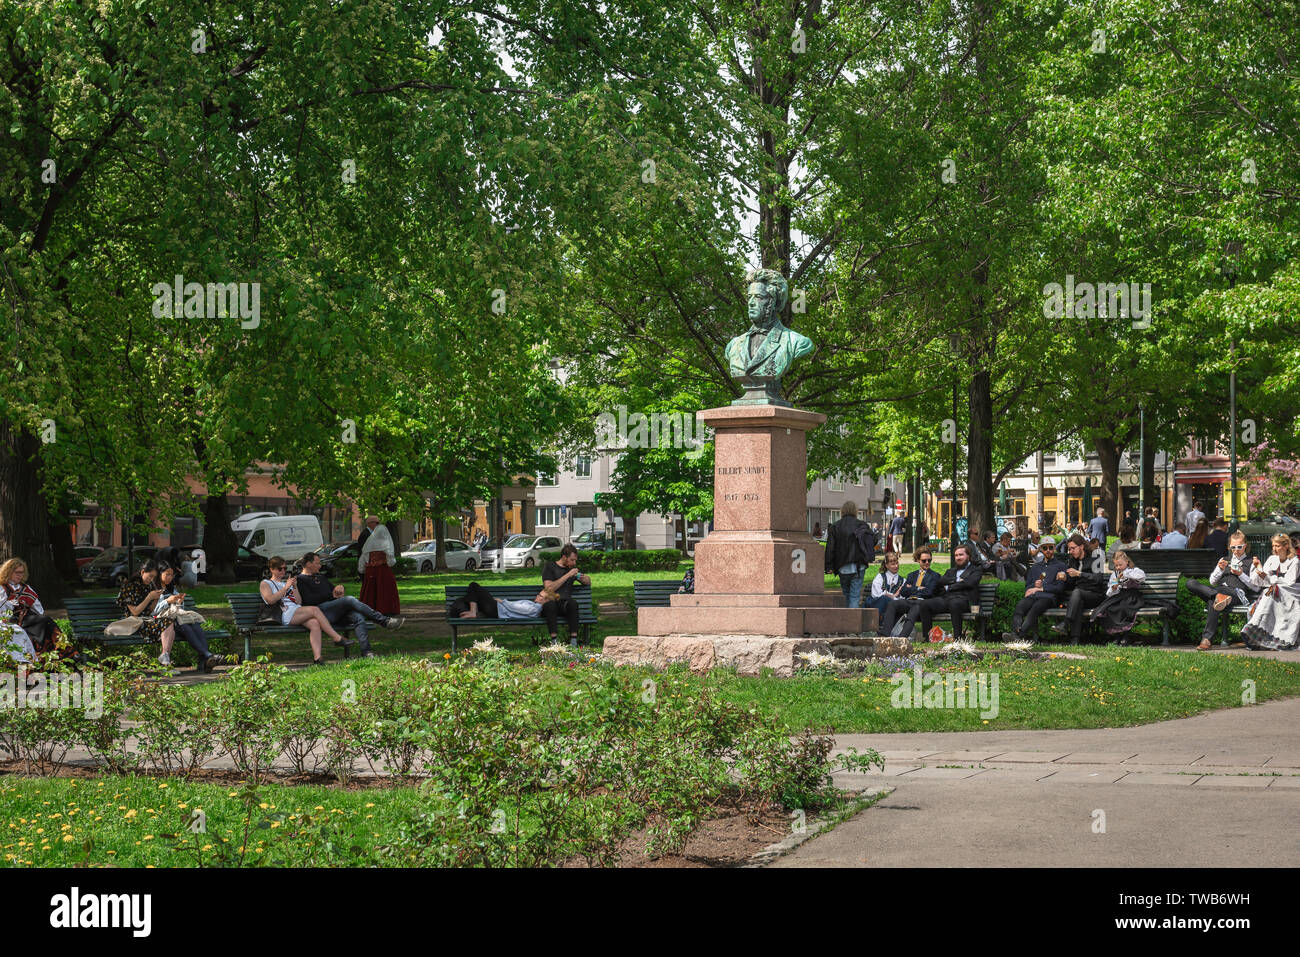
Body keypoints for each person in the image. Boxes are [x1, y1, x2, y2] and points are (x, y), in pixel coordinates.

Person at [296, 551, 402, 658]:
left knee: (358, 617)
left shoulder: (321, 577)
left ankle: (366, 652)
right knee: (349, 600)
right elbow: (308, 600)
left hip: (335, 611)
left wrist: (340, 588)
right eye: (317, 563)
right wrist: (332, 596)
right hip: (320, 613)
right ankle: (384, 621)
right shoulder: (300, 580)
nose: (320, 565)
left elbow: (333, 592)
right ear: (309, 564)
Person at [260, 556, 352, 665]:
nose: (283, 571)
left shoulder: (287, 583)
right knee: (314, 610)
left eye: (285, 568)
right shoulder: (266, 583)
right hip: (283, 614)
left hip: (296, 610)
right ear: (272, 569)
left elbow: (298, 602)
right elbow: (270, 600)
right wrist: (285, 588)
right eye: (280, 569)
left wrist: (294, 587)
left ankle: (317, 659)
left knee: (314, 623)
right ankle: (336, 638)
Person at [1187, 532, 1262, 651]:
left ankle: (1207, 639)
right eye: (1233, 547)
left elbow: (1256, 587)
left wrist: (1241, 574)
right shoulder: (1224, 560)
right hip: (1221, 593)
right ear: (1229, 547)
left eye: (1239, 547)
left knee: (1217, 594)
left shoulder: (1251, 562)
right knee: (1191, 583)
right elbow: (1212, 582)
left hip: (1238, 594)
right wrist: (1220, 570)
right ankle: (1218, 596)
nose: (1236, 550)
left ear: (1245, 546)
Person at [894, 544, 984, 640]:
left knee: (955, 603)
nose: (958, 558)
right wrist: (958, 580)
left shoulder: (975, 570)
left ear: (968, 556)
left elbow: (970, 583)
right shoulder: (951, 571)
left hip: (964, 600)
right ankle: (927, 638)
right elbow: (940, 582)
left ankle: (957, 638)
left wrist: (949, 587)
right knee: (925, 604)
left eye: (961, 555)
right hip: (946, 599)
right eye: (956, 555)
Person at [153, 562, 229, 672]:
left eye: (171, 575)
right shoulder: (153, 589)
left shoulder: (171, 588)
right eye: (167, 574)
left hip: (176, 618)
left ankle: (206, 658)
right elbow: (153, 610)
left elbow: (178, 608)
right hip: (163, 622)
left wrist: (179, 601)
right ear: (159, 574)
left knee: (195, 624)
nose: (170, 577)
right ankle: (207, 655)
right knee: (185, 626)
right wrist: (167, 601)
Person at [0, 558, 70, 665]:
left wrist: (28, 602)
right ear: (8, 572)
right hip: (12, 618)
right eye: (17, 572)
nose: (20, 575)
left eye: (22, 573)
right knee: (43, 621)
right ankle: (50, 655)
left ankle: (63, 654)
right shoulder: (2, 588)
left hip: (28, 617)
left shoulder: (26, 588)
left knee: (45, 621)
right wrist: (10, 604)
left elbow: (39, 609)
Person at [1240, 534, 1300, 650]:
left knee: (1269, 594)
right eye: (1273, 546)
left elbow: (1289, 582)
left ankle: (1256, 633)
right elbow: (1262, 581)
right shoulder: (1272, 559)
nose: (1274, 549)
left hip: (1291, 595)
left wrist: (1269, 578)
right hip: (1273, 593)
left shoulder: (1294, 561)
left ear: (1286, 546)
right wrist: (1259, 569)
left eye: (1277, 546)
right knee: (1269, 593)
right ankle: (1255, 634)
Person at [1002, 537, 1067, 643]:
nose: (1048, 550)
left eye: (1050, 547)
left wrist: (1041, 588)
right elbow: (1028, 587)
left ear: (1054, 548)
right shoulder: (1035, 567)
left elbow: (1059, 588)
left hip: (1049, 598)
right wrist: (1033, 586)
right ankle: (1015, 633)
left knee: (1035, 608)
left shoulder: (1061, 566)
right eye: (1045, 548)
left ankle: (1019, 635)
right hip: (1034, 596)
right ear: (1041, 549)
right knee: (1020, 606)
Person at [115, 559, 179, 666]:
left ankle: (165, 656)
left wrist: (155, 599)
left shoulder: (148, 586)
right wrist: (149, 597)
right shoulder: (128, 587)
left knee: (169, 621)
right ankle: (165, 662)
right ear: (142, 572)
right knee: (166, 625)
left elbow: (149, 610)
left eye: (153, 577)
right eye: (150, 576)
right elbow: (135, 612)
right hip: (133, 622)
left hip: (146, 620)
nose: (151, 579)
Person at [1049, 534, 1110, 643]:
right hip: (1079, 596)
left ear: (1081, 547)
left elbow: (1098, 579)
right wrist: (1065, 578)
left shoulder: (1096, 558)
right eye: (1069, 549)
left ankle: (1065, 623)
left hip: (1095, 595)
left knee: (1077, 593)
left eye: (1073, 548)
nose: (1070, 551)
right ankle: (1075, 640)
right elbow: (1072, 583)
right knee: (1078, 601)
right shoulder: (1073, 561)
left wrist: (1079, 573)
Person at [876, 548, 941, 637]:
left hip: (922, 602)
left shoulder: (935, 576)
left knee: (914, 609)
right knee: (893, 604)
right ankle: (885, 634)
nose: (927, 562)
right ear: (918, 560)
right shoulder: (912, 575)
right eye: (924, 560)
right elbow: (903, 591)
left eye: (929, 560)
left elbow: (929, 592)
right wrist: (919, 588)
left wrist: (912, 588)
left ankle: (902, 637)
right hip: (909, 600)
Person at [1089, 550, 1148, 642]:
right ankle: (1116, 635)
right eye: (1116, 565)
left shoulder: (1133, 570)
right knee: (1110, 607)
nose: (1118, 567)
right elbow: (1110, 592)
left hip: (1132, 596)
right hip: (1120, 595)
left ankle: (1125, 634)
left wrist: (1125, 574)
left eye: (1120, 565)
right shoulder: (1114, 574)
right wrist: (1114, 587)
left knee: (1124, 607)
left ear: (1127, 562)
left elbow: (1141, 577)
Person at [824, 502, 875, 610]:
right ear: (855, 511)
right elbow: (872, 540)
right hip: (858, 566)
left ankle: (848, 620)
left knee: (846, 594)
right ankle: (853, 622)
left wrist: (829, 566)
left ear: (842, 511)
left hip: (842, 566)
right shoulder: (862, 525)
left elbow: (830, 548)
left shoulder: (835, 526)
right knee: (854, 596)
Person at [542, 544, 589, 645]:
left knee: (573, 604)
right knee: (550, 605)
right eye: (572, 560)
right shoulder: (550, 567)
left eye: (575, 560)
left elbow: (588, 581)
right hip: (551, 602)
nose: (574, 562)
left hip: (565, 605)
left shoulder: (571, 569)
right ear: (564, 557)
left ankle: (573, 642)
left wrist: (580, 577)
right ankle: (554, 643)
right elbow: (549, 588)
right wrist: (568, 575)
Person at [451, 581, 560, 620]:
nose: (537, 596)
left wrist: (502, 601)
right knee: (465, 599)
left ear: (545, 601)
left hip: (496, 610)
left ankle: (473, 612)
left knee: (474, 586)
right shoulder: (535, 606)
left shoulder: (535, 608)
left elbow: (516, 607)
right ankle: (469, 612)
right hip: (497, 609)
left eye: (540, 596)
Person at [358, 516, 400, 615]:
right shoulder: (385, 544)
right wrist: (390, 563)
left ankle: (369, 610)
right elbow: (391, 559)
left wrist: (362, 569)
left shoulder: (369, 543)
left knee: (370, 591)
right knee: (384, 589)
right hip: (383, 570)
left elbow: (363, 558)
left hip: (370, 571)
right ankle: (387, 609)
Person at [865, 552, 905, 619]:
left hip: (893, 610)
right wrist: (893, 596)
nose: (896, 566)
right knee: (884, 599)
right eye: (892, 564)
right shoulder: (880, 577)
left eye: (897, 563)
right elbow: (876, 595)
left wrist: (888, 595)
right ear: (886, 565)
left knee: (887, 600)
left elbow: (902, 599)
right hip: (877, 606)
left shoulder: (903, 581)